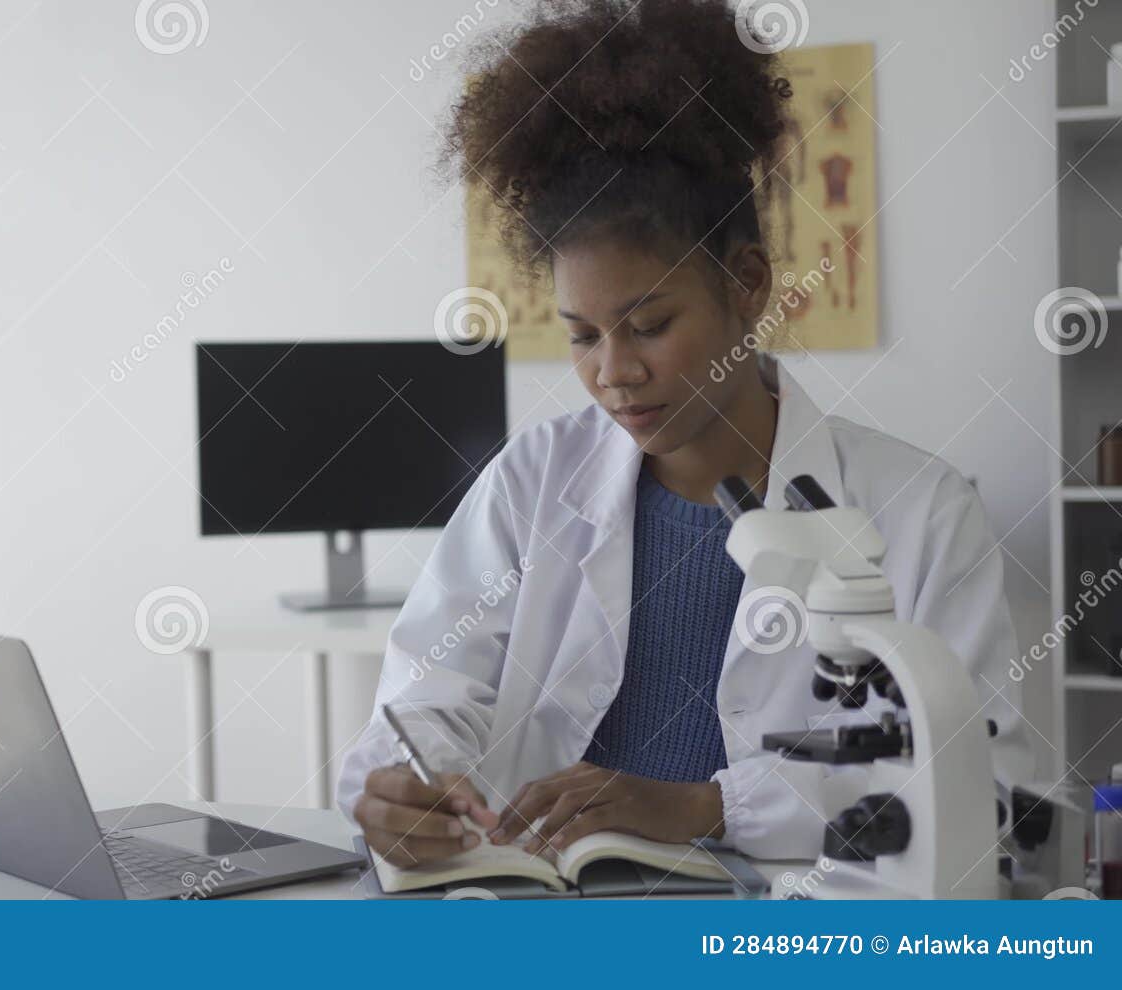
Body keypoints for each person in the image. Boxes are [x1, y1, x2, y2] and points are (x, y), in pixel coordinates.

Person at [336, 0, 1032, 866]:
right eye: (583, 335)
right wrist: (406, 783)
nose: (614, 372)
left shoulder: (919, 510)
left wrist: (705, 806)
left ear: (745, 282)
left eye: (650, 324)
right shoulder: (534, 483)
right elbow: (425, 694)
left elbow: (991, 786)